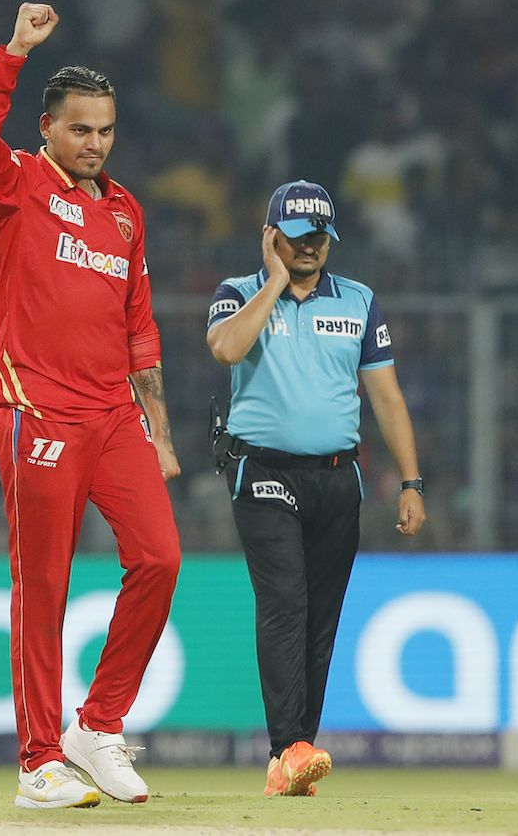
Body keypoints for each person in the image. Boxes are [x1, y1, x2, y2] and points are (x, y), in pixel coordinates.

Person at [0, 2, 181, 810]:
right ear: (48, 129)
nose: (94, 144)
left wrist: (158, 431)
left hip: (115, 415)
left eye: (106, 131)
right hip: (36, 412)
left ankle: (99, 723)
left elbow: (139, 324)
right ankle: (38, 760)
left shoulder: (124, 212)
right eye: (80, 130)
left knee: (160, 558)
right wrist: (13, 53)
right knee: (43, 584)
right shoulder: (14, 183)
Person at [205, 180, 427, 797]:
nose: (310, 249)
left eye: (319, 238)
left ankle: (295, 752)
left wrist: (410, 481)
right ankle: (287, 747)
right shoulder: (238, 294)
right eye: (298, 238)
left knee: (320, 619)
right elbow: (225, 349)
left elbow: (386, 396)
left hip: (337, 478)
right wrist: (274, 282)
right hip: (264, 472)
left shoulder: (358, 301)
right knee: (285, 603)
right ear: (271, 236)